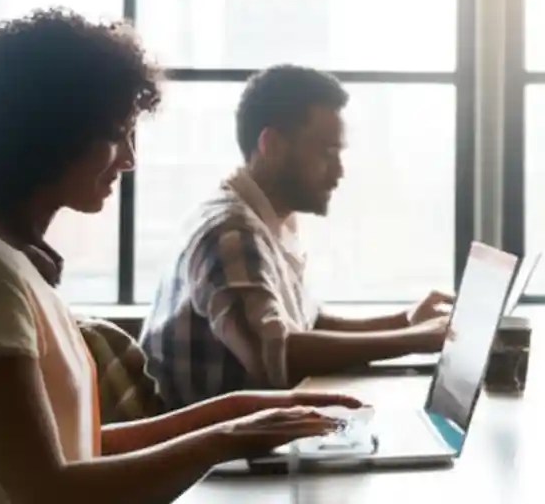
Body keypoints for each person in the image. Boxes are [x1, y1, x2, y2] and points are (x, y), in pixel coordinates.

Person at [0, 9, 356, 504]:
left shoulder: (19, 266)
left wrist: (246, 411)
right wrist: (226, 439)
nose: (130, 158)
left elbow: (85, 450)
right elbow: (46, 489)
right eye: (118, 133)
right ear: (56, 132)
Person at [140, 65, 452, 408]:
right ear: (271, 145)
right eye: (326, 153)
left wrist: (405, 321)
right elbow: (275, 357)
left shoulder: (267, 219)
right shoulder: (232, 233)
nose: (339, 172)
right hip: (221, 458)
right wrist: (412, 339)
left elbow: (306, 324)